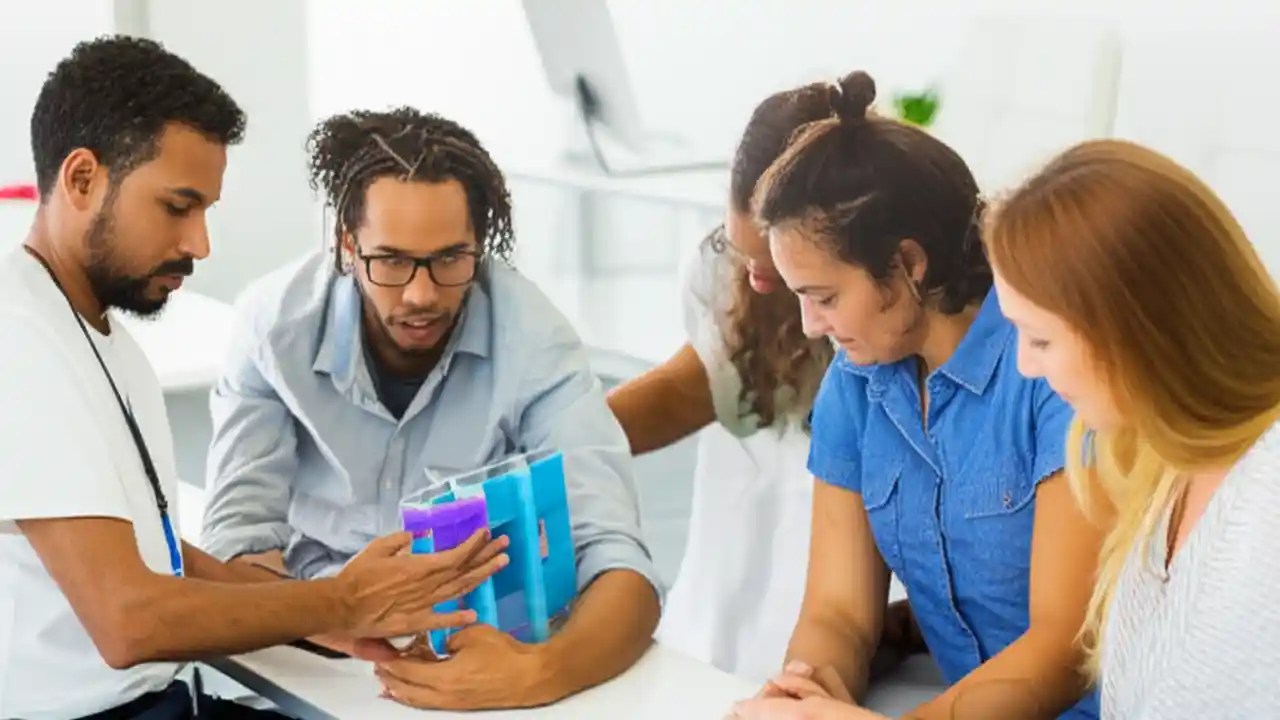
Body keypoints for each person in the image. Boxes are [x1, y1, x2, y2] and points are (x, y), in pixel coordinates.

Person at [0, 37, 507, 720]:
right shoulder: (20, 339)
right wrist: (342, 599)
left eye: (206, 210)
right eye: (178, 207)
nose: (200, 244)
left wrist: (319, 621)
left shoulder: (94, 334)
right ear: (83, 179)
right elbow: (128, 621)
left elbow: (147, 552)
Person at [200, 107, 663, 711]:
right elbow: (233, 551)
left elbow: (620, 565)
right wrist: (334, 615)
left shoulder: (536, 340)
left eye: (450, 259)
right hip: (306, 647)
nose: (421, 294)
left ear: (481, 245)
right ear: (347, 245)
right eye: (390, 261)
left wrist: (539, 674)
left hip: (489, 648)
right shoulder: (272, 328)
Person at [730, 71, 1101, 720]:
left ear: (907, 263)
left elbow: (1062, 649)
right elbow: (839, 613)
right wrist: (805, 694)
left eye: (823, 296)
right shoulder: (855, 384)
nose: (811, 325)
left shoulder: (1050, 374)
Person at [608, 82, 925, 682]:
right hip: (748, 552)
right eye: (742, 254)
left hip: (843, 570)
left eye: (777, 271)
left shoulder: (878, 361)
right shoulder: (721, 273)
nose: (756, 282)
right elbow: (706, 380)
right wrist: (570, 442)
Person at [985, 139, 1280, 719]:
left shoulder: (1265, 488)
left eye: (1040, 339)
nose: (1025, 365)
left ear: (1133, 328)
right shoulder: (1165, 467)